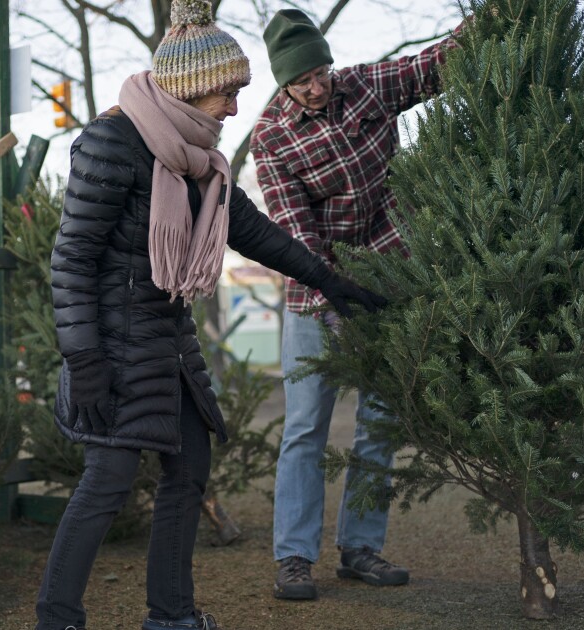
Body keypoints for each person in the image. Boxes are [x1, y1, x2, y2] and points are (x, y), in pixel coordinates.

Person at [35, 2, 385, 629]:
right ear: (192, 89)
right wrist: (82, 357)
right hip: (112, 348)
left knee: (189, 469)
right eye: (227, 92)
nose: (233, 107)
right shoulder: (113, 143)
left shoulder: (200, 162)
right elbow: (71, 260)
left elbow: (252, 231)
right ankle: (57, 618)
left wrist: (330, 281)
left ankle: (171, 616)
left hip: (168, 343)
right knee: (108, 480)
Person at [250, 8, 466, 601]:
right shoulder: (271, 137)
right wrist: (336, 288)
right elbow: (295, 228)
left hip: (393, 267)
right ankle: (294, 557)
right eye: (303, 82)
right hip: (317, 287)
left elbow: (434, 64)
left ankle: (361, 546)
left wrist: (494, 19)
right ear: (283, 84)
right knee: (304, 426)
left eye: (321, 71)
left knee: (381, 420)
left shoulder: (365, 85)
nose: (318, 87)